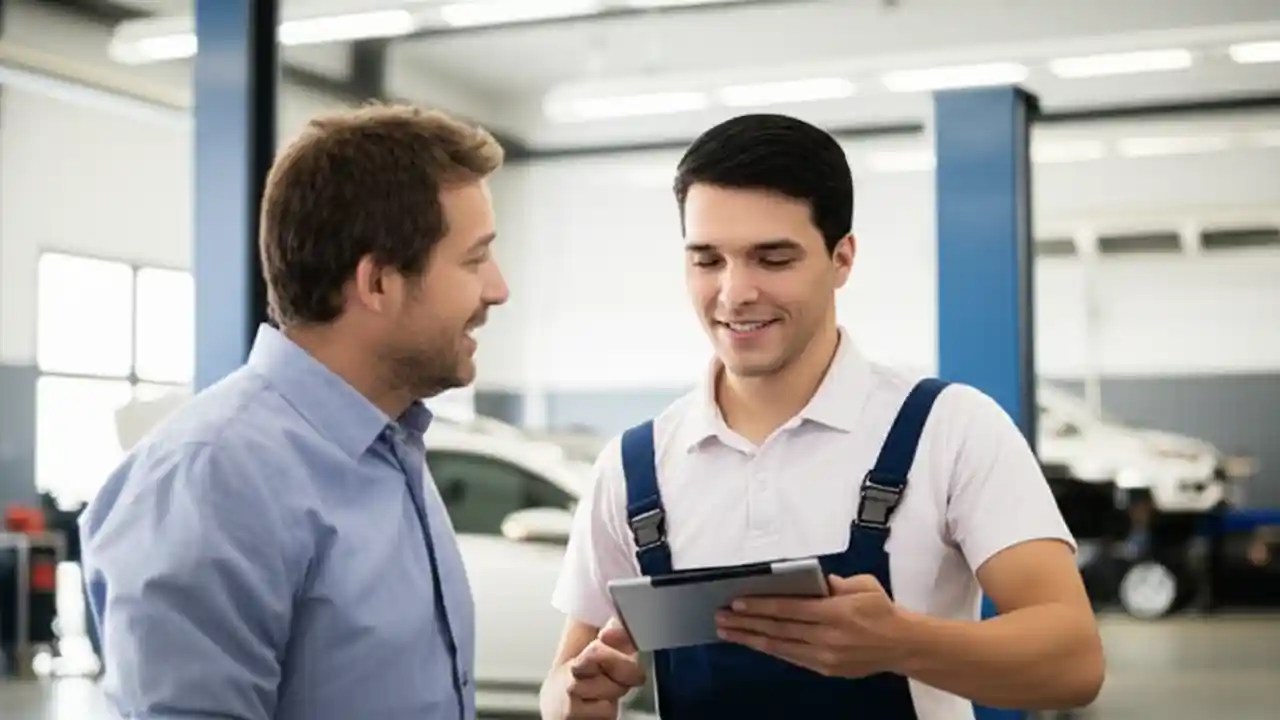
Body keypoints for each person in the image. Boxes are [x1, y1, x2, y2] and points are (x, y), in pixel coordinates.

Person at [539, 114, 1105, 719]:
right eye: (707, 261)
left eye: (773, 259)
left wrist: (902, 642)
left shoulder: (949, 430)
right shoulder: (634, 468)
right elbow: (565, 678)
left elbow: (1073, 662)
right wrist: (578, 700)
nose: (735, 293)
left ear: (842, 258)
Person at [79, 104, 509, 720]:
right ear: (378, 282)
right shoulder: (213, 478)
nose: (498, 289)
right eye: (474, 260)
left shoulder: (391, 451)